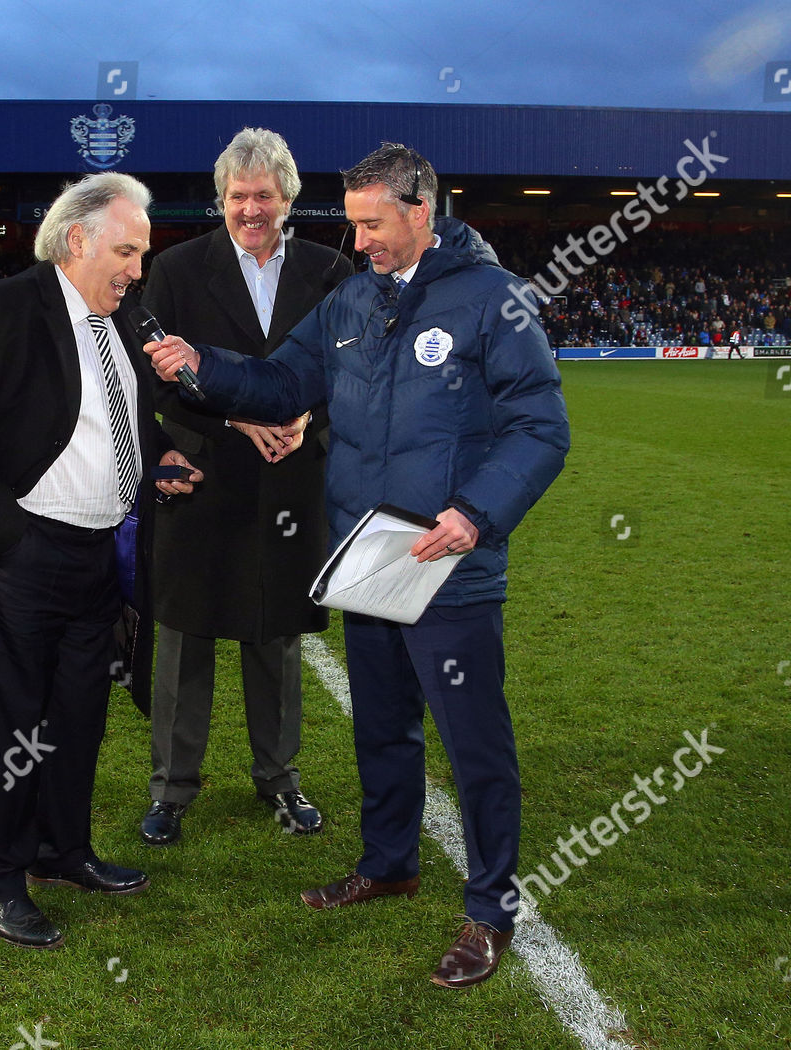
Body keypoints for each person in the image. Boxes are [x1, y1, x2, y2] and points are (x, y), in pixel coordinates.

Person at [147, 143, 569, 989]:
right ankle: (390, 863)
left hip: (447, 562)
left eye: (373, 223)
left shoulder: (495, 300)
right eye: (353, 222)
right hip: (370, 558)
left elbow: (541, 428)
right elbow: (279, 383)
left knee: (473, 745)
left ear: (421, 209)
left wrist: (475, 514)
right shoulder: (349, 301)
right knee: (382, 727)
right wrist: (204, 366)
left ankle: (490, 911)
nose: (360, 238)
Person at [0, 172, 203, 950]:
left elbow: (120, 421)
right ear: (76, 241)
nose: (137, 266)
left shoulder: (124, 320)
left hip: (101, 558)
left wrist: (161, 457)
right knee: (10, 724)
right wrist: (9, 538)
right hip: (20, 559)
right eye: (127, 250)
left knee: (77, 719)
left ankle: (62, 854)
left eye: (143, 252)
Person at [138, 128, 354, 846]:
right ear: (220, 200)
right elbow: (149, 382)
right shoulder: (173, 270)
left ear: (288, 199)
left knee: (278, 639)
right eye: (238, 196)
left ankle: (280, 780)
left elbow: (354, 373)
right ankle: (171, 789)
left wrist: (304, 419)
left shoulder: (332, 270)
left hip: (293, 481)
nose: (251, 209)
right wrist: (232, 418)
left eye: (264, 195)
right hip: (205, 481)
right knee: (185, 639)